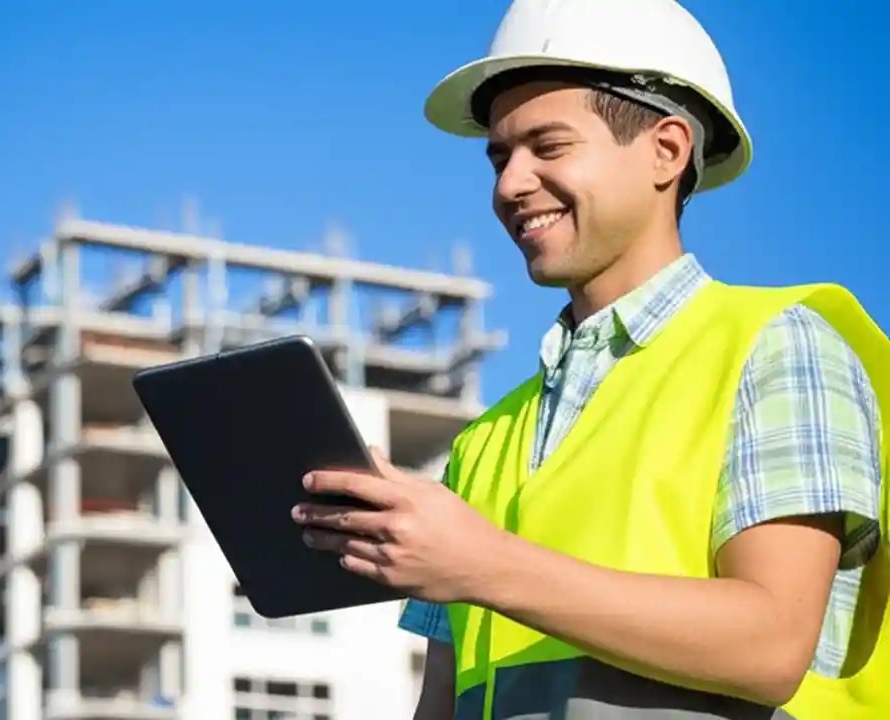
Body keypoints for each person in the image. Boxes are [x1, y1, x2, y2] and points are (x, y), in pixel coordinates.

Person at [289, 1, 889, 718]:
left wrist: (480, 562)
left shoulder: (776, 345)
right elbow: (443, 703)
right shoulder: (483, 443)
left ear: (667, 151)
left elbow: (771, 645)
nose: (510, 184)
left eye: (548, 146)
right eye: (500, 156)